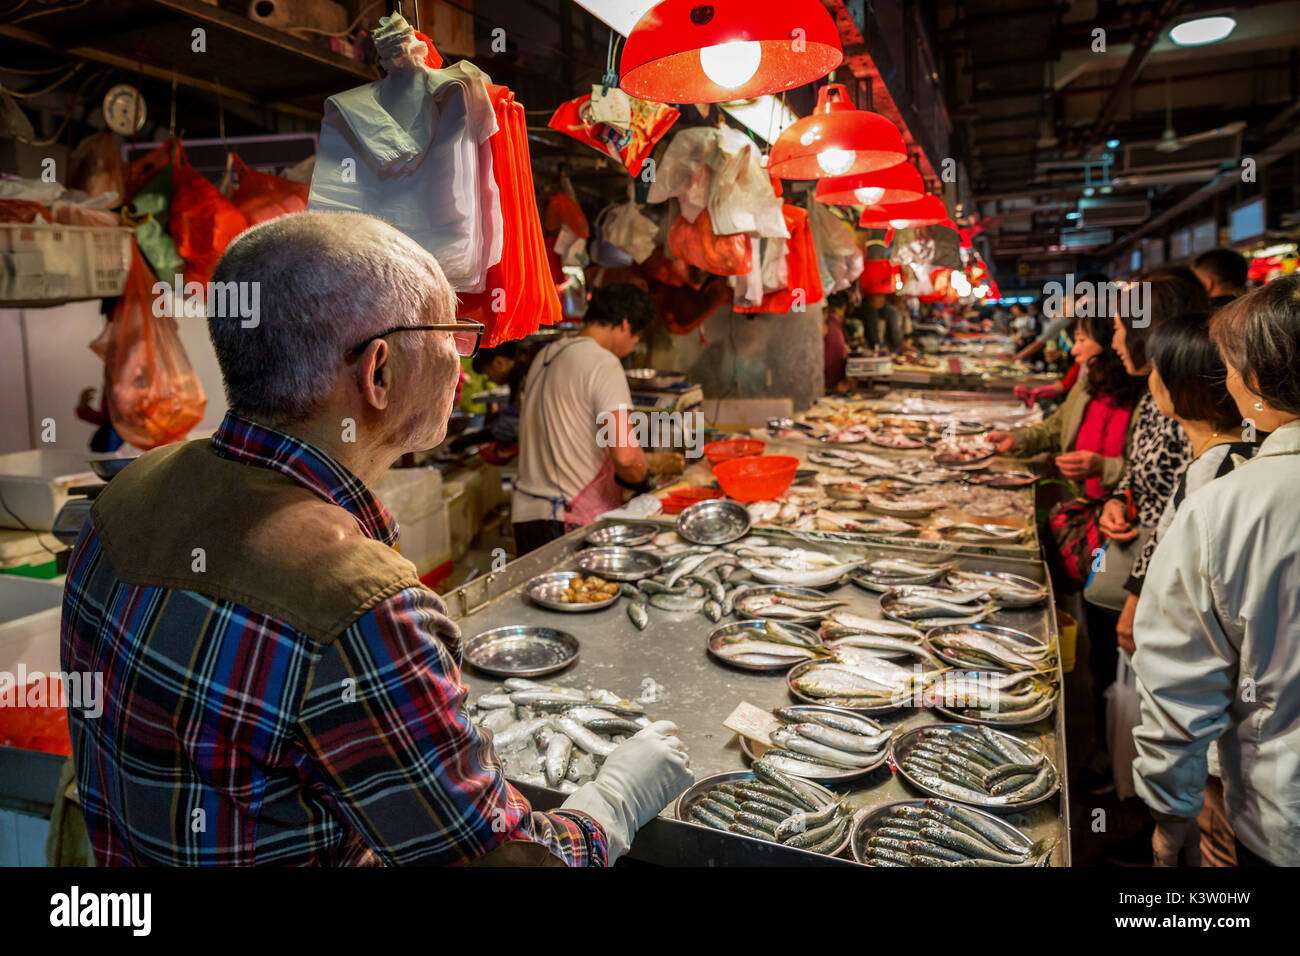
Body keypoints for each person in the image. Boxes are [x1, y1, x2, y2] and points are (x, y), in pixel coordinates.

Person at [60, 212, 692, 866]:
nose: (462, 358)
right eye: (452, 335)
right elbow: (499, 861)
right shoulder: (356, 607)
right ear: (379, 373)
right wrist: (611, 800)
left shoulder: (122, 497)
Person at [1132, 274, 1300, 867]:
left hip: (1279, 818)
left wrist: (1170, 814)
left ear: (1257, 383)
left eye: (1231, 366)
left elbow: (1183, 683)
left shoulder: (1226, 506)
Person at [1135, 313, 1258, 867]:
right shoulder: (1230, 464)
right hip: (1222, 744)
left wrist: (1169, 811)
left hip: (1221, 751)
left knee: (1216, 851)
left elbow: (1193, 657)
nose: (1148, 376)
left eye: (1157, 367)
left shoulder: (1216, 481)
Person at [512, 282, 654, 555]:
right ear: (625, 324)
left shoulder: (546, 355)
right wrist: (643, 479)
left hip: (526, 516)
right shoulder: (603, 362)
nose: (632, 346)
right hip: (568, 520)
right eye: (636, 338)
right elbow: (626, 457)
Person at [823, 291, 851, 393]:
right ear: (844, 307)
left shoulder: (834, 324)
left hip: (833, 387)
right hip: (831, 388)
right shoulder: (833, 324)